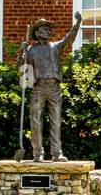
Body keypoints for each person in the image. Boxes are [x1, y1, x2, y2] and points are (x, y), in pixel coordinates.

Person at [17, 12, 82, 161]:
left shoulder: (54, 47)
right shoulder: (30, 51)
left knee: (56, 120)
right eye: (45, 29)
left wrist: (77, 24)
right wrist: (21, 51)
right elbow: (22, 69)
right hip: (38, 87)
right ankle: (38, 153)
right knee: (35, 121)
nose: (49, 31)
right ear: (38, 33)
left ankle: (57, 153)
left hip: (54, 87)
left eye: (48, 29)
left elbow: (69, 39)